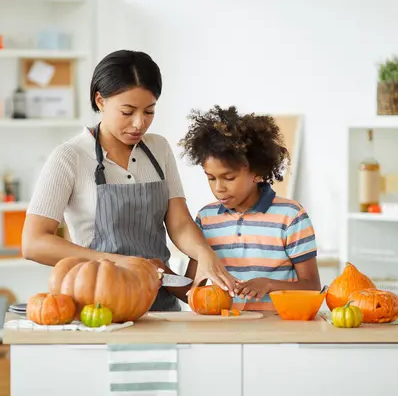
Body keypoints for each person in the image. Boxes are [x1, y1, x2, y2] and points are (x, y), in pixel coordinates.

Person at [22, 50, 237, 311]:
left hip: (160, 305)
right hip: (98, 307)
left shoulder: (159, 149)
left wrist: (204, 253)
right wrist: (118, 262)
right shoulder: (70, 157)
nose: (139, 123)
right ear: (100, 100)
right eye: (127, 111)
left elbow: (179, 223)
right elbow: (33, 243)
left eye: (149, 111)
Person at [178, 105, 321, 311]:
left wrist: (269, 284)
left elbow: (312, 287)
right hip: (225, 329)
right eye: (211, 178)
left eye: (229, 178)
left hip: (278, 331)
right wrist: (161, 273)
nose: (219, 188)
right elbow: (191, 289)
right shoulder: (206, 218)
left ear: (258, 172)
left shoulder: (291, 216)